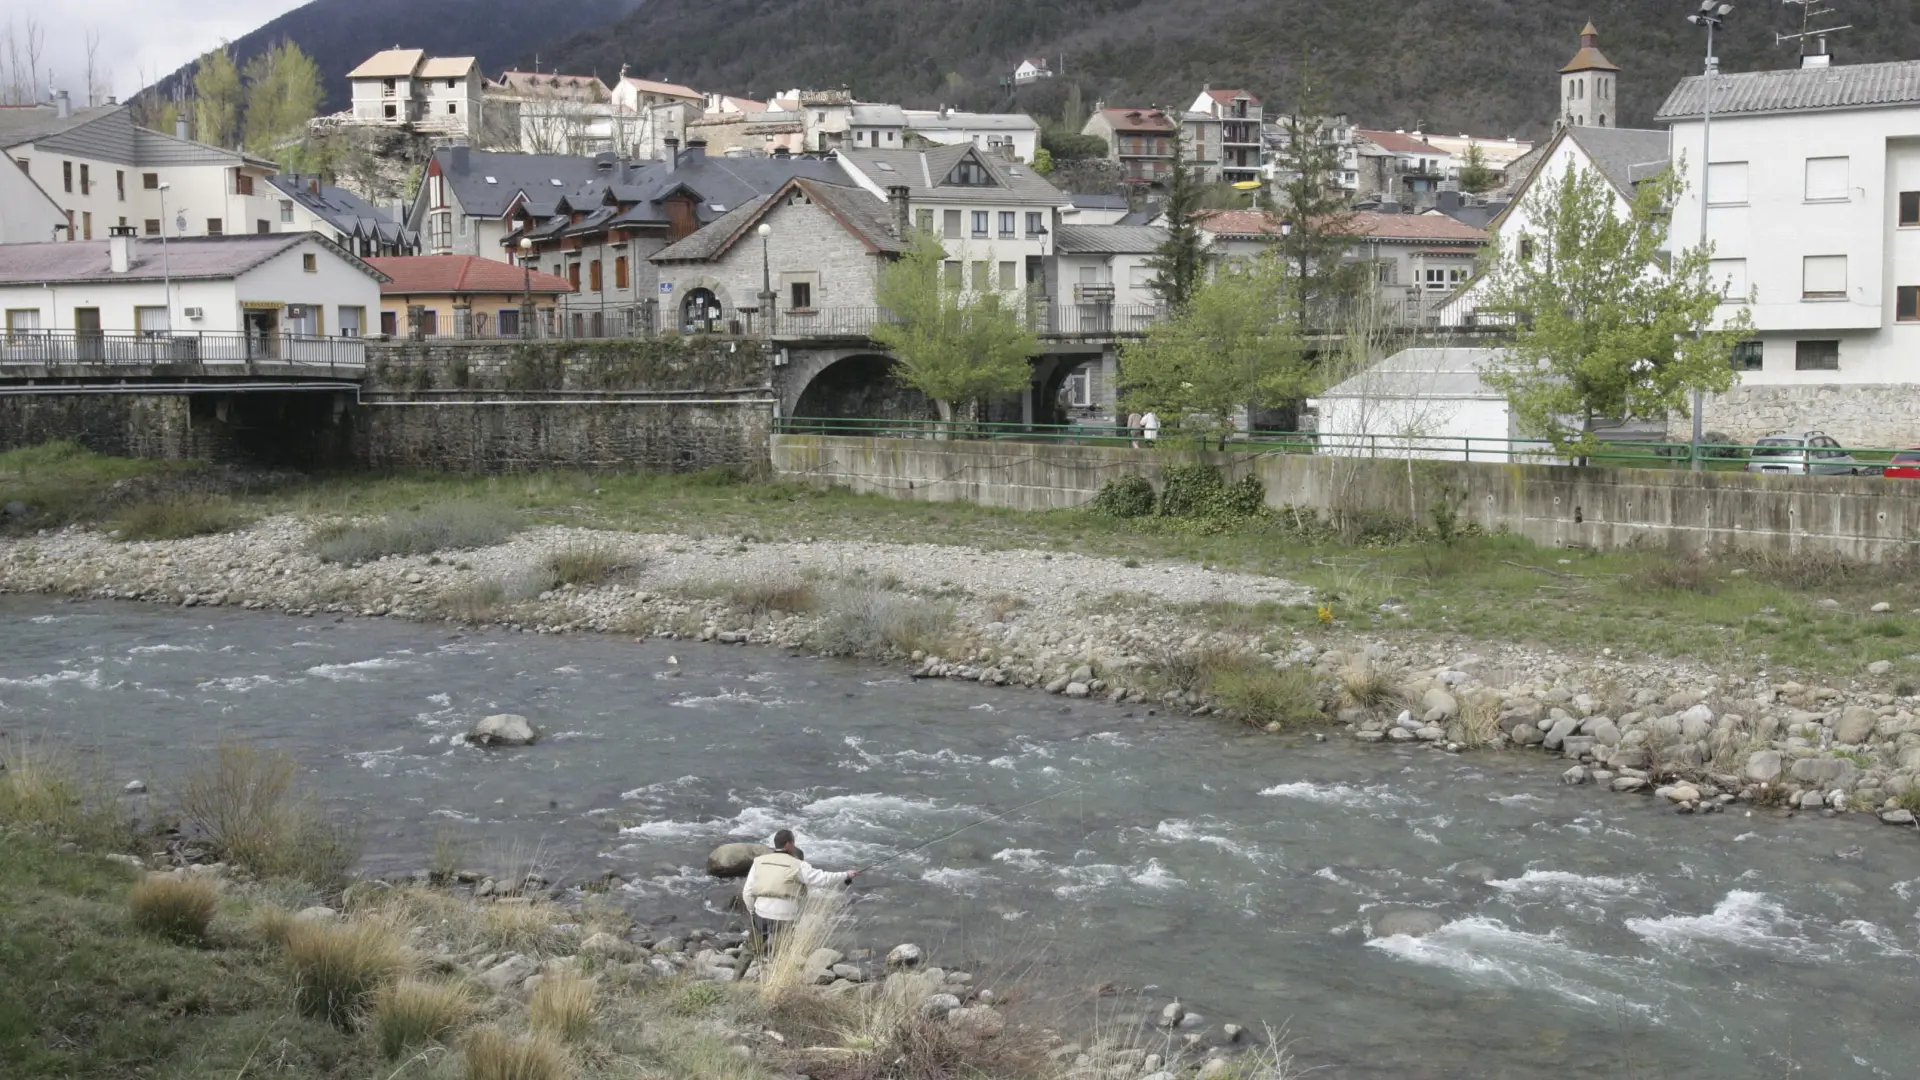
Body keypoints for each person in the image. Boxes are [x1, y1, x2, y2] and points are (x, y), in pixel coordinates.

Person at [735, 829, 855, 975]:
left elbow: (747, 892)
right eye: (793, 842)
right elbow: (823, 879)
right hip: (785, 917)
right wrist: (845, 875)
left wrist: (752, 911)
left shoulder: (758, 862)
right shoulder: (798, 865)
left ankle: (735, 981)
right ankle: (774, 985)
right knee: (781, 954)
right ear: (788, 845)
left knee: (749, 949)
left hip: (761, 913)